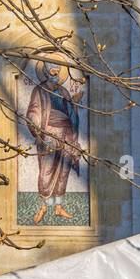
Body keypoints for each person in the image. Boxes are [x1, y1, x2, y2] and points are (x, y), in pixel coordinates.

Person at [25, 61, 84, 224]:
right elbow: (34, 110)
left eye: (57, 72)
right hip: (48, 133)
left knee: (64, 169)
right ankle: (44, 206)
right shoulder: (40, 90)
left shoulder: (63, 91)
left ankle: (58, 207)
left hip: (66, 134)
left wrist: (74, 106)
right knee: (47, 170)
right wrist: (36, 126)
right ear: (46, 73)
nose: (55, 75)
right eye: (52, 72)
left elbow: (71, 112)